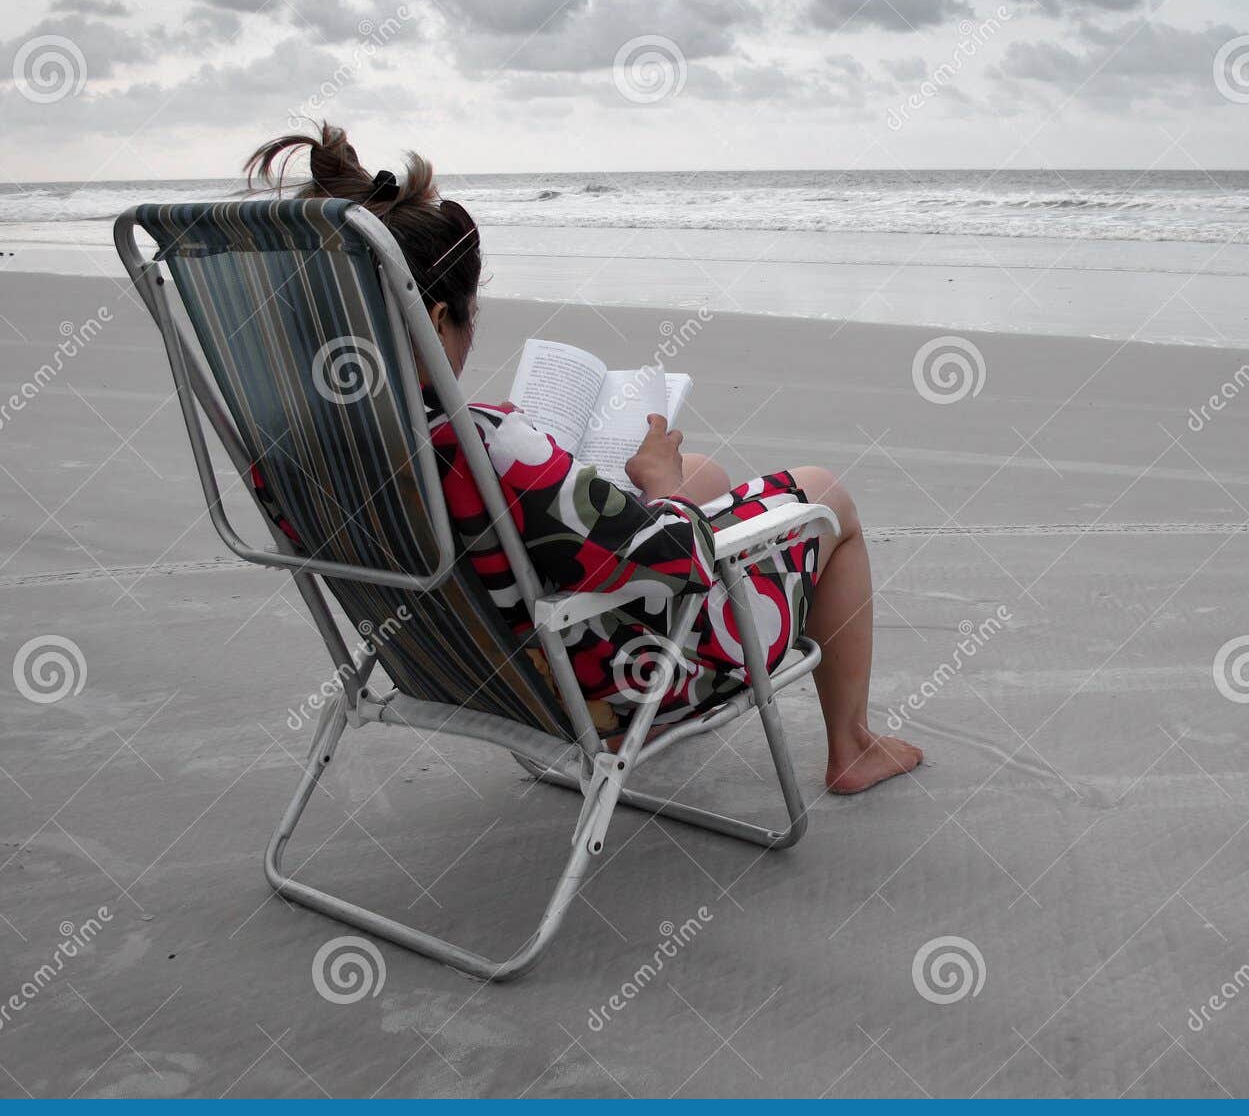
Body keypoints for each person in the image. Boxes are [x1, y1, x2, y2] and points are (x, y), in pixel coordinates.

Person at [245, 124, 922, 794]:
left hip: (464, 665)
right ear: (438, 315)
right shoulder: (481, 445)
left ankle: (670, 494)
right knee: (822, 493)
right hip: (611, 678)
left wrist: (611, 480)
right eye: (469, 317)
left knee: (705, 472)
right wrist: (660, 485)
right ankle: (852, 747)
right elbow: (678, 561)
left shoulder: (288, 445)